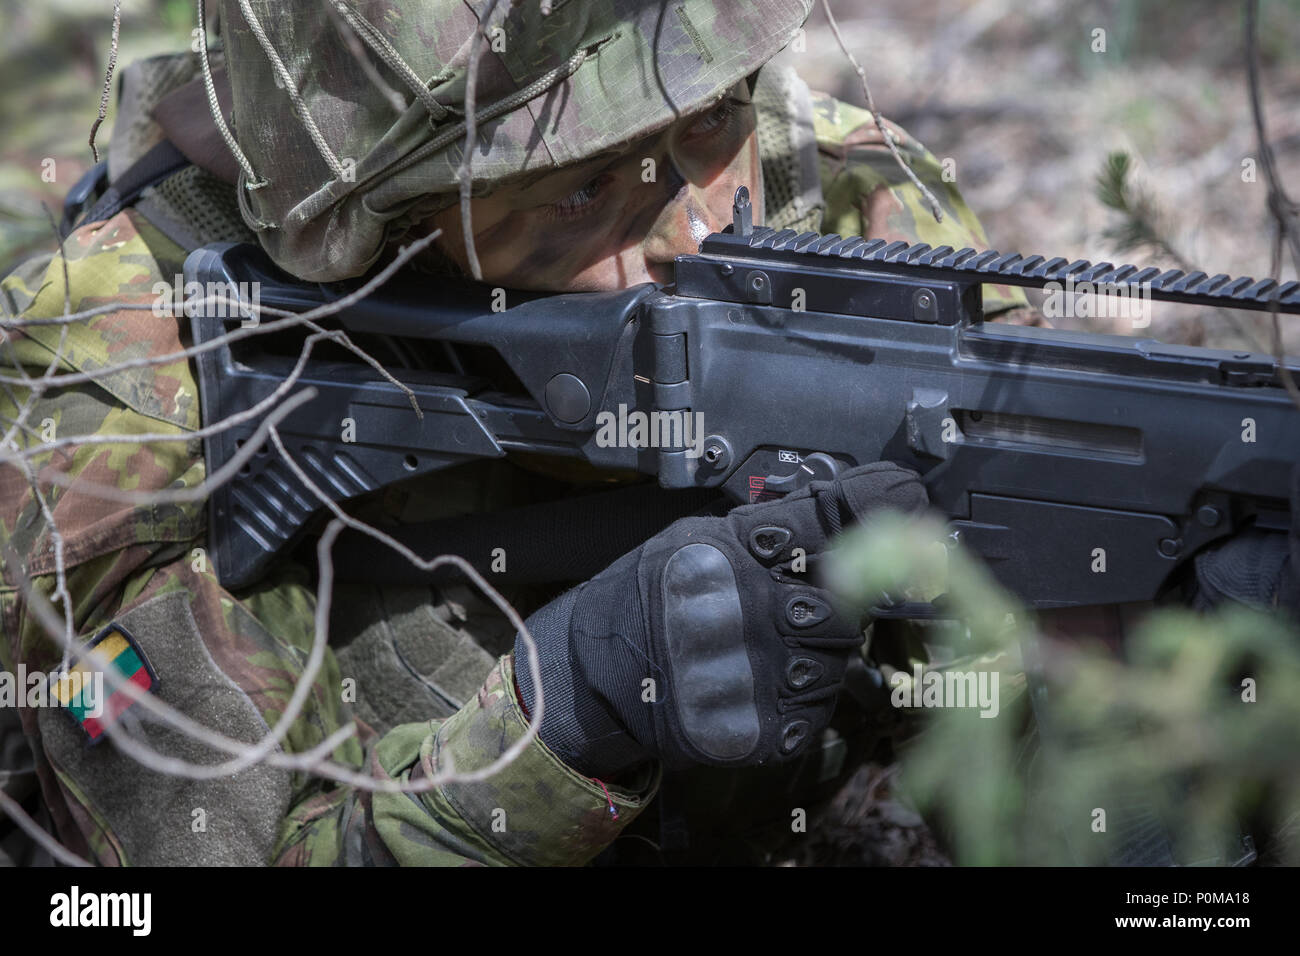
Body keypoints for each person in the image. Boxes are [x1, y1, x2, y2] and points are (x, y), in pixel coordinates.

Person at [0, 0, 1133, 868]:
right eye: (581, 194)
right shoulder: (120, 377)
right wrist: (571, 711)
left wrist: (1114, 656)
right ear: (381, 226)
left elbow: (1040, 771)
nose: (697, 233)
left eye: (708, 120)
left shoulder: (838, 197)